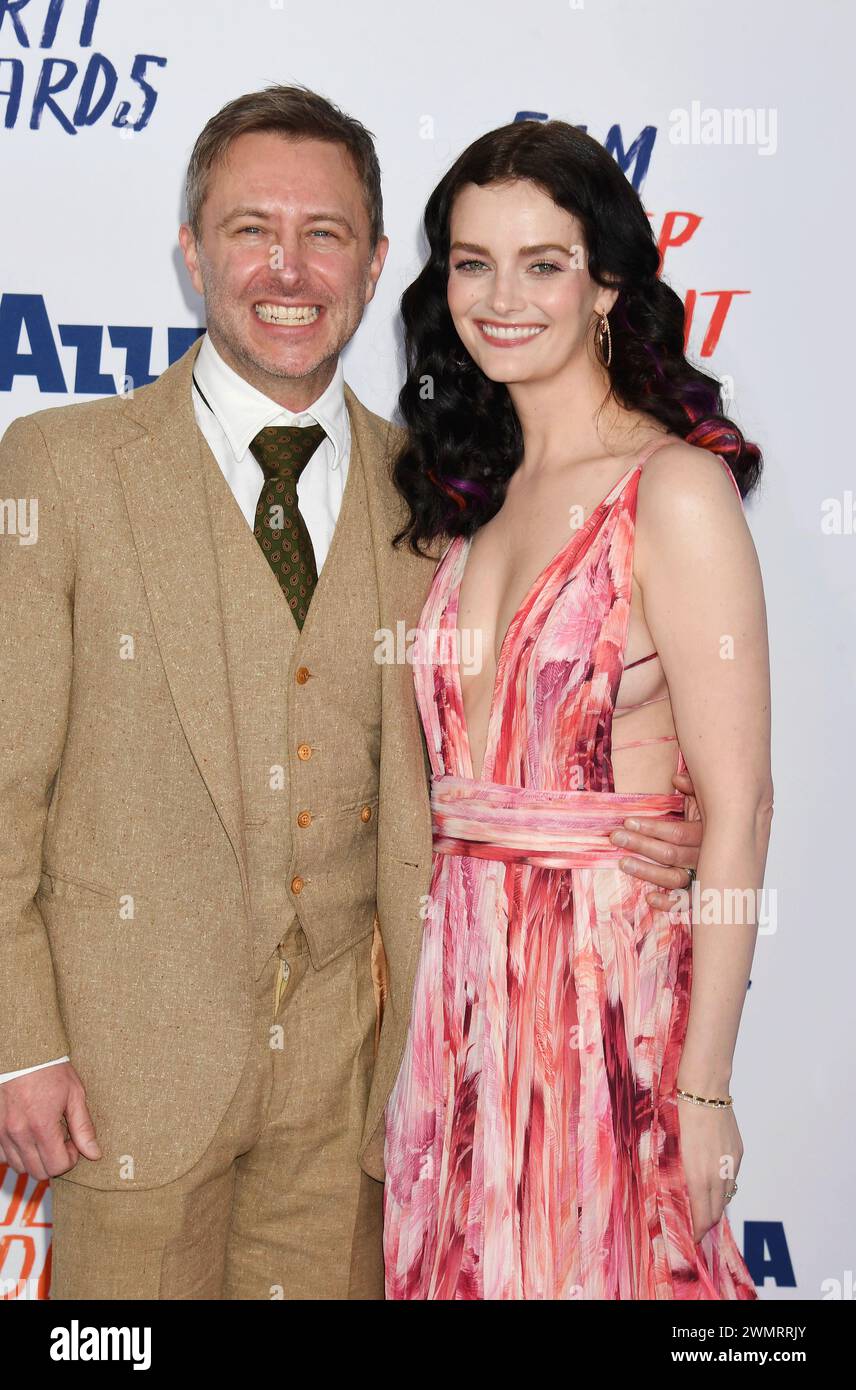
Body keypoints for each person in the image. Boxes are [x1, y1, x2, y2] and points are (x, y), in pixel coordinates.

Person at [0, 89, 704, 1300]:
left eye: (324, 234)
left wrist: (639, 815)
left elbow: (511, 724)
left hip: (367, 1097)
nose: (288, 267)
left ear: (376, 264)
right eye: (248, 229)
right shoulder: (57, 468)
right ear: (190, 250)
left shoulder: (439, 491)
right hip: (120, 1086)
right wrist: (22, 1045)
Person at [383, 118, 772, 1300]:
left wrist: (703, 1090)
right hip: (454, 1015)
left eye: (542, 263)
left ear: (607, 282)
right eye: (470, 260)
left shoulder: (675, 489)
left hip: (608, 1011)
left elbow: (743, 807)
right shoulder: (472, 500)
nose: (501, 297)